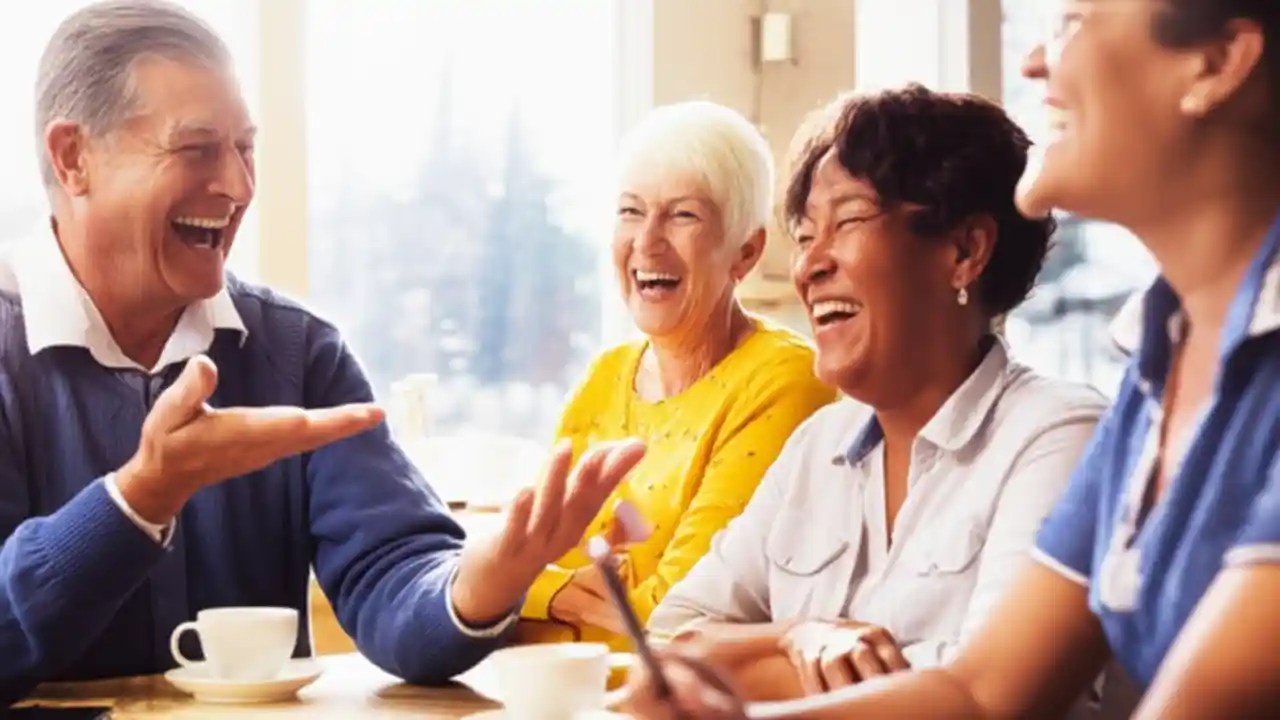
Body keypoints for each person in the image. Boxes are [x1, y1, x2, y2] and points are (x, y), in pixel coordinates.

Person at [622, 1, 1280, 718]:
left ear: (1215, 64)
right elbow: (981, 692)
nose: (1033, 63)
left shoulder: (1065, 428)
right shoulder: (1152, 386)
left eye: (1075, 21)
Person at [0, 0, 645, 702]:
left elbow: (392, 575)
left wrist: (481, 580)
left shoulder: (297, 351)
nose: (239, 187)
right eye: (196, 150)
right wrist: (136, 500)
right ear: (73, 159)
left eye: (245, 149)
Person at [643, 85, 1106, 700]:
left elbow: (983, 692)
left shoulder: (1062, 437)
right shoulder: (818, 447)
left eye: (849, 221)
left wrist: (742, 672)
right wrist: (799, 637)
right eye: (806, 236)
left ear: (965, 251)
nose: (809, 267)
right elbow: (671, 640)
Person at [514, 101, 836, 648]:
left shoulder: (784, 381)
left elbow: (680, 617)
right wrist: (558, 591)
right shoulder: (606, 375)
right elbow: (514, 565)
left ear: (746, 251)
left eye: (683, 215)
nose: (647, 241)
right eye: (631, 212)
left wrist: (545, 592)